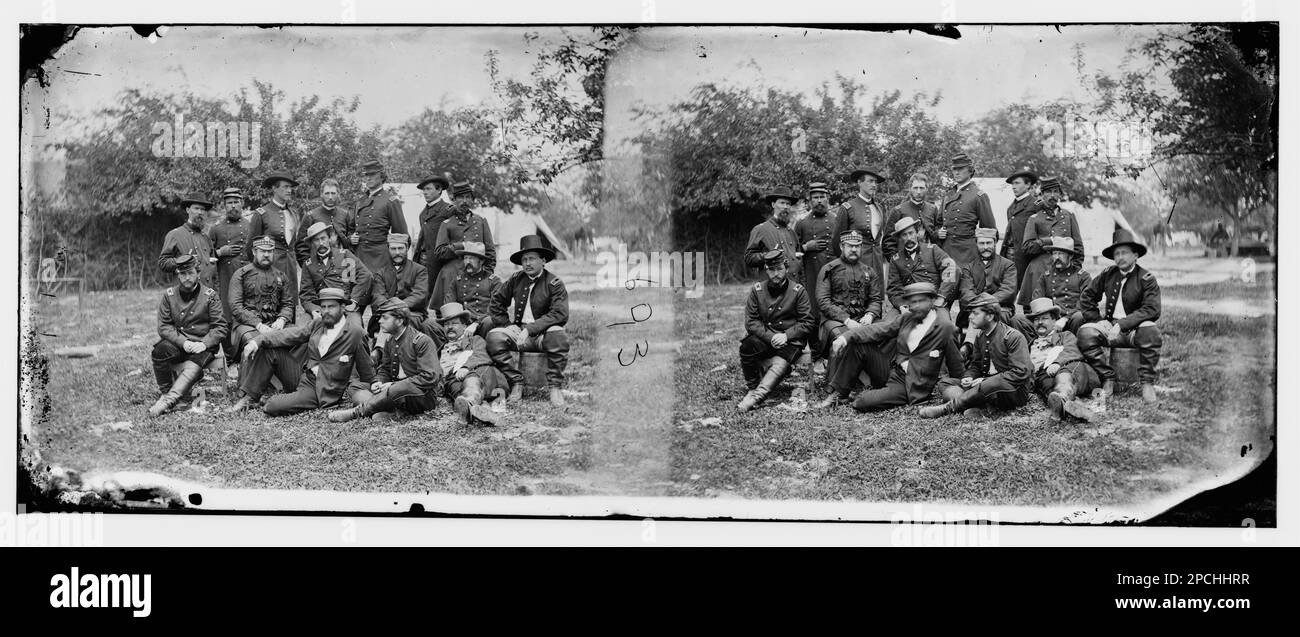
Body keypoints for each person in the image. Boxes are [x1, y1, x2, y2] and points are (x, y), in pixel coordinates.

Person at [229, 287, 374, 416]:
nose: (326, 311)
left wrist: (362, 390)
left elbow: (367, 373)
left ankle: (278, 399)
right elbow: (291, 334)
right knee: (268, 349)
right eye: (323, 307)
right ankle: (250, 398)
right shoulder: (318, 323)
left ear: (343, 307)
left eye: (331, 307)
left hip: (321, 389)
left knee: (272, 406)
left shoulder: (355, 333)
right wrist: (257, 341)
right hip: (304, 376)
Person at [839, 282, 965, 413]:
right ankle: (839, 393)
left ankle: (877, 394)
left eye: (921, 301)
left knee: (862, 402)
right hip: (892, 370)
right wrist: (846, 336)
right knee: (856, 343)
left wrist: (962, 390)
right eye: (912, 302)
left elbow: (956, 364)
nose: (916, 306)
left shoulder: (945, 328)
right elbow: (880, 329)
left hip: (910, 382)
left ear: (933, 300)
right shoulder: (907, 317)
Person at [1077, 229, 1163, 403]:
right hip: (1110, 329)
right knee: (1085, 333)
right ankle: (1107, 377)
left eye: (1124, 253)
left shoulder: (1146, 278)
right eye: (1117, 254)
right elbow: (1087, 297)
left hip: (1134, 331)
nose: (1120, 257)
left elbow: (1152, 309)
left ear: (1135, 255)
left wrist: (1122, 324)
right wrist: (1098, 320)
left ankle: (1147, 383)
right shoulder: (1108, 274)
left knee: (1151, 331)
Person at [486, 235, 571, 407]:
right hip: (519, 334)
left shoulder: (554, 283)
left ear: (543, 260)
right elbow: (496, 303)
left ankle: (554, 387)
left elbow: (560, 314)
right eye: (524, 259)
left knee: (558, 334)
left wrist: (530, 329)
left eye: (532, 258)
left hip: (542, 335)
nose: (527, 263)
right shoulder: (516, 279)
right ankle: (516, 381)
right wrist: (508, 325)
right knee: (494, 337)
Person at [329, 298, 441, 422]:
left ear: (399, 320)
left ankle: (358, 412)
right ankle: (390, 411)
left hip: (420, 396)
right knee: (355, 386)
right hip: (393, 391)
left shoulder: (421, 341)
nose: (380, 321)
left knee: (399, 389)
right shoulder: (390, 340)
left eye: (385, 318)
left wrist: (394, 385)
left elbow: (430, 377)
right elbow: (385, 368)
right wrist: (379, 381)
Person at [921, 293, 1032, 418]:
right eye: (971, 313)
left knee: (993, 384)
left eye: (975, 313)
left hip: (1011, 391)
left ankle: (949, 408)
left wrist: (985, 381)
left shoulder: (1013, 337)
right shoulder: (980, 336)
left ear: (990, 316)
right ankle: (981, 407)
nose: (970, 317)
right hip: (984, 387)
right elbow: (976, 365)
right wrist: (969, 376)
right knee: (946, 382)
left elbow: (1020, 373)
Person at [813, 230, 889, 408]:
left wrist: (870, 314)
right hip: (835, 321)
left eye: (857, 246)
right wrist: (846, 320)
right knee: (847, 336)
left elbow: (876, 299)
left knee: (885, 331)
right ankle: (836, 387)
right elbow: (822, 301)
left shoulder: (869, 271)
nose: (854, 249)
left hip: (863, 319)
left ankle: (878, 378)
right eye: (850, 246)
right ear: (841, 247)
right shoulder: (829, 269)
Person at [148, 255, 228, 417]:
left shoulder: (210, 295)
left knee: (195, 363)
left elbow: (220, 327)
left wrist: (204, 344)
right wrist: (183, 342)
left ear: (198, 273)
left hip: (203, 345)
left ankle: (168, 401)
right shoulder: (169, 295)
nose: (187, 278)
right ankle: (166, 391)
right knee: (160, 350)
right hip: (181, 343)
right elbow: (163, 326)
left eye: (190, 273)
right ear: (178, 275)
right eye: (182, 274)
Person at [736, 249, 815, 412]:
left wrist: (786, 335)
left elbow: (807, 322)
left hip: (791, 340)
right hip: (767, 337)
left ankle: (757, 397)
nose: (776, 273)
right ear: (766, 270)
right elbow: (751, 321)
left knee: (782, 362)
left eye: (779, 269)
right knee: (747, 345)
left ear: (786, 268)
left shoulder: (798, 291)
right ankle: (752, 388)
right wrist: (771, 336)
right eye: (772, 269)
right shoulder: (757, 290)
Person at [227, 236, 295, 384]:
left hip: (273, 323)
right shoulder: (241, 274)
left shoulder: (281, 276)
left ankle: (292, 379)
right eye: (262, 251)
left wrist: (282, 319)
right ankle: (249, 386)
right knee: (255, 342)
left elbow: (288, 304)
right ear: (254, 251)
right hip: (247, 325)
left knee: (299, 337)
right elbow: (235, 306)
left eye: (270, 251)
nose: (266, 255)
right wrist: (258, 324)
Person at [1021, 297, 1101, 422]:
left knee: (1065, 374)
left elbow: (1072, 350)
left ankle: (1063, 399)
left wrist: (1057, 363)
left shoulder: (1065, 335)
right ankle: (1068, 406)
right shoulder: (1029, 345)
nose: (1040, 322)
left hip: (1072, 370)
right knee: (1048, 388)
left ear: (1054, 320)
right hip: (1044, 376)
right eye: (1036, 319)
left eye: (1044, 318)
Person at [435, 302, 507, 426]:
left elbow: (481, 355)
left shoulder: (475, 339)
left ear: (464, 325)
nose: (449, 327)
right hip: (454, 381)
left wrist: (465, 367)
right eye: (446, 324)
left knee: (473, 378)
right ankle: (483, 410)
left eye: (454, 323)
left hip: (479, 374)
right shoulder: (439, 349)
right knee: (458, 392)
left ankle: (469, 404)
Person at [1017, 176, 1084, 309]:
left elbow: (1078, 248)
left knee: (1066, 308)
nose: (1052, 195)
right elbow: (1026, 247)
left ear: (1060, 194)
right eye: (1048, 192)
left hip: (1064, 270)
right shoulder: (1034, 219)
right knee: (1037, 310)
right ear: (1041, 194)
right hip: (1039, 270)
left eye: (1055, 191)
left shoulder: (1068, 216)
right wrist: (1049, 241)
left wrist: (1073, 267)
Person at [794, 181, 838, 371]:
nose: (819, 201)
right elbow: (793, 251)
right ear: (810, 200)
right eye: (815, 198)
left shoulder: (837, 220)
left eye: (822, 197)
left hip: (834, 275)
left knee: (833, 312)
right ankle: (816, 355)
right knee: (813, 314)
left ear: (827, 198)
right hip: (811, 275)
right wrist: (806, 247)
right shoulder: (802, 224)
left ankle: (832, 354)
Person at [430, 181, 496, 307]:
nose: (464, 201)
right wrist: (461, 245)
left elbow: (490, 251)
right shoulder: (447, 224)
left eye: (467, 197)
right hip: (452, 274)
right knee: (449, 311)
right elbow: (439, 252)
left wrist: (486, 272)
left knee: (478, 309)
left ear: (472, 200)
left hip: (477, 273)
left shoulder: (480, 221)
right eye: (460, 197)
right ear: (454, 200)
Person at [247, 172, 302, 320]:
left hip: (290, 272)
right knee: (269, 313)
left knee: (289, 311)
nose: (289, 190)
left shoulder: (294, 214)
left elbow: (296, 244)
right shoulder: (262, 214)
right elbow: (250, 249)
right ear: (274, 189)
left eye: (290, 187)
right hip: (269, 272)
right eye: (285, 187)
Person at [299, 221, 372, 332]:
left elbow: (365, 276)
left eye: (323, 238)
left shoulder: (344, 255)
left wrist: (353, 301)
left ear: (329, 238)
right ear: (312, 243)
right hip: (321, 308)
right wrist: (314, 310)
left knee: (356, 330)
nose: (321, 243)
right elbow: (306, 294)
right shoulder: (309, 265)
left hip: (344, 307)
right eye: (316, 240)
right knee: (301, 328)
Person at [886, 217, 959, 321]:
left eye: (911, 233)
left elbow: (951, 268)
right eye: (904, 235)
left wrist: (941, 297)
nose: (909, 237)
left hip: (933, 301)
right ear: (900, 238)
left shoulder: (932, 250)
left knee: (945, 325)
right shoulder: (896, 259)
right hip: (908, 303)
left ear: (917, 233)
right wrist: (902, 306)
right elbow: (894, 288)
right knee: (888, 323)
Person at [207, 187, 250, 363]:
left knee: (246, 315)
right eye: (229, 203)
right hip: (224, 278)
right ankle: (231, 358)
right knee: (225, 317)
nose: (233, 206)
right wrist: (220, 252)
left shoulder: (251, 225)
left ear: (242, 203)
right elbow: (206, 255)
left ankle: (247, 357)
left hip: (247, 277)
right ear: (224, 206)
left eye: (236, 202)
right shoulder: (216, 229)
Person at [937, 153, 997, 270]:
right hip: (947, 253)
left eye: (960, 169)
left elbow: (989, 230)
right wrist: (938, 232)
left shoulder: (978, 195)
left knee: (967, 287)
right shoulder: (948, 195)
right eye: (954, 169)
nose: (956, 172)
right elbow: (938, 223)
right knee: (948, 285)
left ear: (970, 171)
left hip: (967, 254)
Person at [352, 159, 408, 274]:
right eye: (366, 175)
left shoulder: (390, 201)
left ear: (382, 176)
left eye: (372, 174)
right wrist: (351, 238)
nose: (368, 178)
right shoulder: (360, 201)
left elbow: (401, 236)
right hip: (359, 257)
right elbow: (351, 228)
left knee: (379, 290)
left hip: (380, 259)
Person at [369, 233, 430, 336]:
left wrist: (399, 307)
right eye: (393, 249)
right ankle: (381, 350)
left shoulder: (419, 270)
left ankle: (382, 350)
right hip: (386, 313)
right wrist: (391, 310)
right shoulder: (380, 273)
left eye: (400, 248)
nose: (397, 252)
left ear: (407, 248)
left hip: (413, 313)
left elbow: (420, 295)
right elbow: (378, 296)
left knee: (400, 321)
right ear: (388, 249)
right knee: (388, 320)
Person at [956, 228, 1018, 328]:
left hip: (1001, 308)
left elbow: (1008, 291)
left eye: (989, 243)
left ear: (995, 243)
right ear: (976, 244)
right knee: (975, 316)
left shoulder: (1008, 265)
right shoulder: (968, 268)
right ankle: (970, 343)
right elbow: (966, 293)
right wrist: (979, 306)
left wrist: (987, 304)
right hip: (974, 308)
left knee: (993, 316)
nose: (985, 247)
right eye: (981, 243)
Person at [1029, 237, 1091, 333]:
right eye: (1054, 253)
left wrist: (1065, 318)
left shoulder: (1083, 276)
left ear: (1070, 256)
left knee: (1079, 316)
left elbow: (1086, 302)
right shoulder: (1046, 276)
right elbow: (1037, 298)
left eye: (1061, 253)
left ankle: (1072, 345)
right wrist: (1048, 320)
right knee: (1019, 320)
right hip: (1049, 319)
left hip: (1072, 320)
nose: (1057, 257)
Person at [158, 193, 217, 289]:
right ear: (188, 210)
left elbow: (213, 270)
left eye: (202, 210)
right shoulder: (175, 235)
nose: (200, 212)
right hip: (184, 294)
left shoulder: (206, 238)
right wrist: (182, 261)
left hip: (206, 294)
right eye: (196, 208)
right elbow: (162, 263)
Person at [443, 240, 502, 336]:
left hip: (483, 324)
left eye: (472, 258)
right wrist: (458, 324)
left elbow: (497, 308)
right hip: (463, 323)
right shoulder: (457, 281)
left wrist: (476, 323)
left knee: (489, 321)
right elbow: (449, 303)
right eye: (465, 258)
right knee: (432, 326)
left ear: (481, 261)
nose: (467, 262)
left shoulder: (493, 281)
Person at [744, 186, 803, 281]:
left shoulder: (792, 233)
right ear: (773, 204)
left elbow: (799, 265)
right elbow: (749, 258)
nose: (785, 207)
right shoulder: (761, 229)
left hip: (792, 289)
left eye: (788, 204)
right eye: (782, 203)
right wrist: (768, 256)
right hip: (770, 288)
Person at [832, 168, 888, 266]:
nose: (874, 185)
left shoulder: (880, 208)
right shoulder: (848, 208)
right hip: (856, 264)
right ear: (859, 182)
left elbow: (885, 237)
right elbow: (837, 241)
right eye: (870, 181)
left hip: (878, 264)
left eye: (876, 182)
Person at [882, 172, 943, 261]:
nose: (918, 192)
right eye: (915, 188)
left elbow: (937, 236)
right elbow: (888, 241)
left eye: (921, 188)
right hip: (906, 261)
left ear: (926, 189)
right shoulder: (898, 210)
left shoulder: (933, 209)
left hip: (928, 260)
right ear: (910, 189)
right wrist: (897, 261)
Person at [412, 175, 455, 296]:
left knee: (442, 297)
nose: (425, 192)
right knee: (421, 296)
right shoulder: (422, 214)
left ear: (439, 189)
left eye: (428, 189)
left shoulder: (448, 210)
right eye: (424, 190)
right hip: (422, 261)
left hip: (441, 263)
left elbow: (455, 238)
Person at [1001, 169, 1039, 306]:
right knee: (1006, 293)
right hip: (1009, 256)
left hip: (1026, 258)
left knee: (1029, 295)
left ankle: (1028, 323)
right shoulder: (1011, 207)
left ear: (1028, 185)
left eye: (1017, 183)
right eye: (1012, 184)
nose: (1013, 187)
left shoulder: (1035, 205)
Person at [295, 178, 357, 261]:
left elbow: (351, 242)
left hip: (342, 264)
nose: (330, 197)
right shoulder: (310, 216)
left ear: (338, 194)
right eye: (327, 193)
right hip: (318, 266)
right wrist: (309, 267)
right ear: (321, 194)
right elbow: (301, 247)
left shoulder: (345, 215)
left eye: (333, 193)